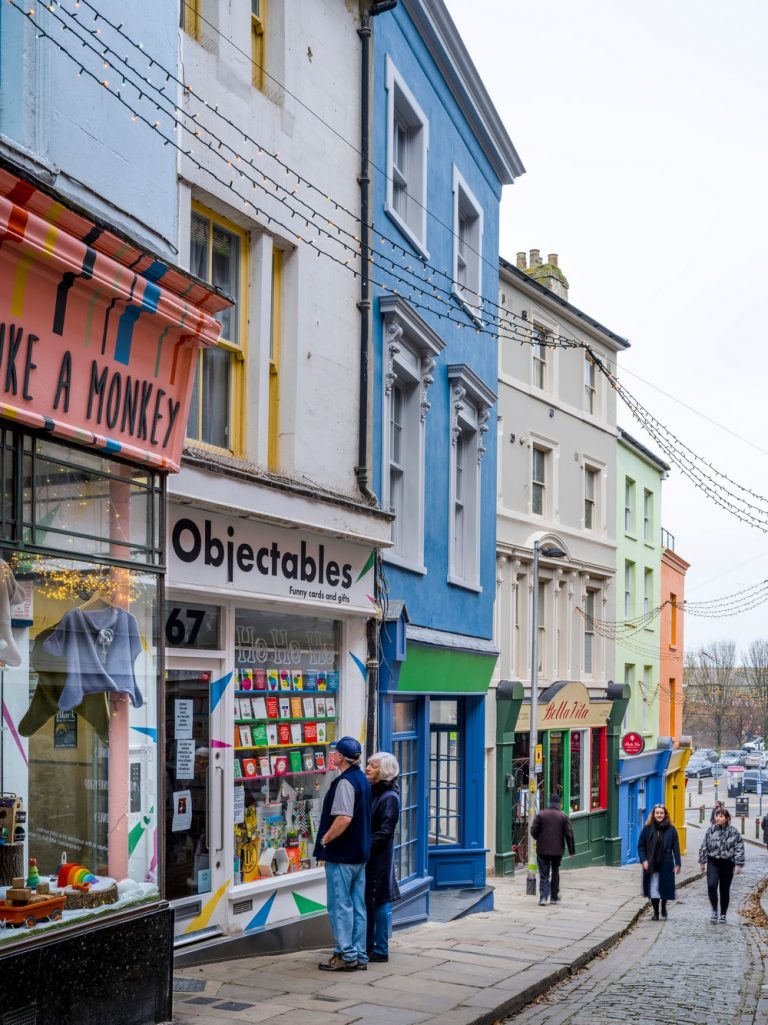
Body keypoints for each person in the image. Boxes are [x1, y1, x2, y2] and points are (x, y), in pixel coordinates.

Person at [314, 736, 372, 971]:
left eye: (334, 752)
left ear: (339, 757)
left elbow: (344, 818)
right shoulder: (362, 779)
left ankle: (346, 954)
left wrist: (326, 839)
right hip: (359, 854)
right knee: (358, 906)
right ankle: (359, 954)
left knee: (340, 905)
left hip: (342, 855)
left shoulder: (345, 782)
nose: (332, 755)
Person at [364, 751, 401, 963]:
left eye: (373, 765)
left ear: (384, 771)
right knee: (371, 899)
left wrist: (363, 844)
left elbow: (386, 831)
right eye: (368, 764)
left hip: (379, 856)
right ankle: (370, 945)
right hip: (372, 854)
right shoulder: (375, 791)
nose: (368, 767)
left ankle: (380, 948)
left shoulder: (389, 797)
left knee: (379, 900)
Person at [698, 806, 745, 923]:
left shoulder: (734, 832)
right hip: (713, 862)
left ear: (727, 818)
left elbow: (739, 848)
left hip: (728, 863)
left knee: (724, 889)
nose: (718, 818)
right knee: (712, 885)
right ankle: (714, 909)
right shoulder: (711, 830)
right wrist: (702, 862)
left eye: (721, 816)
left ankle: (723, 913)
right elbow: (704, 846)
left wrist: (738, 864)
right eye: (717, 815)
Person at [637, 804, 681, 921]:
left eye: (661, 813)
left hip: (666, 863)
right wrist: (643, 860)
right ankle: (656, 912)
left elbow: (676, 848)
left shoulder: (671, 830)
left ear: (665, 814)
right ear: (653, 814)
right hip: (651, 863)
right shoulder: (647, 829)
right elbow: (641, 846)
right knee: (653, 888)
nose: (659, 815)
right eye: (657, 813)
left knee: (664, 887)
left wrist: (678, 864)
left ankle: (664, 907)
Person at [530, 794, 575, 906]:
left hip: (542, 850)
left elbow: (533, 830)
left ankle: (544, 897)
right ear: (559, 804)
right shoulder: (563, 817)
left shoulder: (541, 814)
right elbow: (569, 835)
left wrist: (538, 838)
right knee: (555, 872)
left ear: (550, 803)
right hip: (557, 851)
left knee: (544, 874)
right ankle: (554, 897)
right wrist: (571, 850)